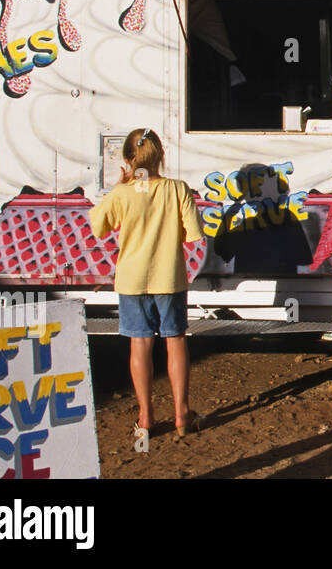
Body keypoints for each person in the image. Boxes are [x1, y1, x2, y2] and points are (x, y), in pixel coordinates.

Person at [89, 128, 203, 443]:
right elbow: (193, 234)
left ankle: (145, 417)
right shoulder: (177, 189)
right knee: (176, 341)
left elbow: (98, 226)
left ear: (128, 159)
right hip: (169, 277)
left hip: (131, 279)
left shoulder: (123, 193)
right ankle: (182, 414)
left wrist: (119, 187)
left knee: (140, 345)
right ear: (160, 157)